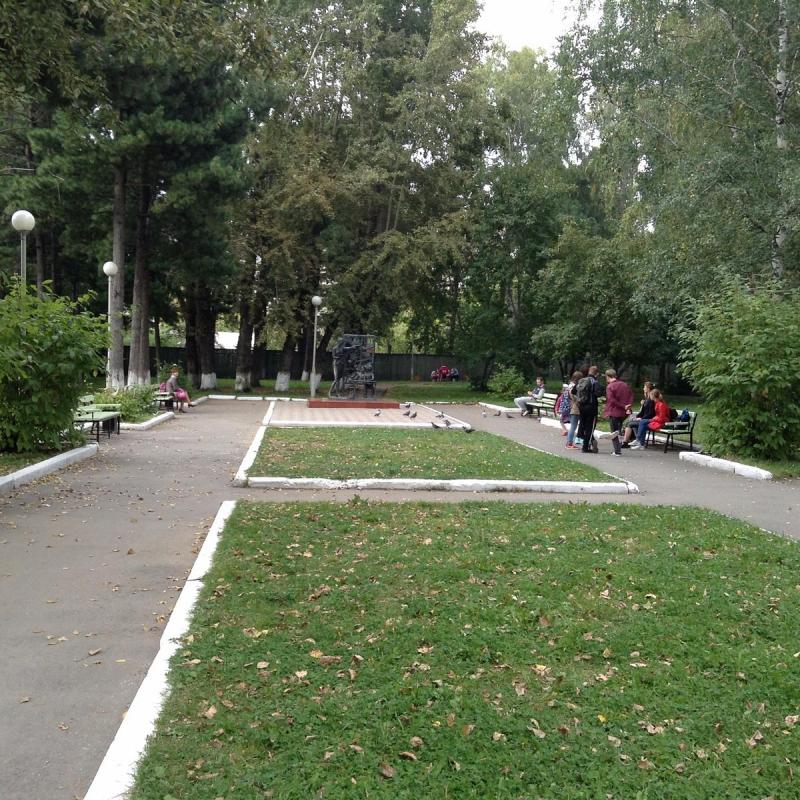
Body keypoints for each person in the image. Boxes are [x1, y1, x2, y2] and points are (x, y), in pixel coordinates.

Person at [604, 369, 634, 456]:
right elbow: (631, 395)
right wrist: (628, 406)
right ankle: (618, 449)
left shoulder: (610, 387)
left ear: (608, 376)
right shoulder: (624, 385)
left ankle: (617, 451)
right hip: (623, 413)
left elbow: (611, 400)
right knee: (618, 430)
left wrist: (623, 406)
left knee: (614, 431)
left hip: (614, 412)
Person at [576, 365, 603, 453]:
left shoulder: (581, 380)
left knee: (583, 425)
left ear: (588, 372)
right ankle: (585, 447)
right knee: (590, 427)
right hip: (591, 407)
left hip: (581, 406)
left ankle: (583, 440)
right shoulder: (595, 382)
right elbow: (598, 393)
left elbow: (573, 391)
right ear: (597, 374)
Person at [621, 381, 655, 447]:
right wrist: (637, 416)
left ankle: (627, 442)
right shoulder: (647, 399)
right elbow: (643, 411)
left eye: (644, 387)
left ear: (648, 388)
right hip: (645, 419)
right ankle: (635, 441)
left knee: (630, 423)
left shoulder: (651, 400)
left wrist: (641, 418)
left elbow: (651, 413)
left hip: (648, 420)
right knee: (632, 421)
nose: (643, 388)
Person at [564, 371, 583, 447]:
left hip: (572, 406)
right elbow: (574, 396)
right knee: (573, 426)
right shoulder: (574, 386)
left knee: (573, 426)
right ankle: (569, 443)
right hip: (575, 408)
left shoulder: (570, 385)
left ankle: (570, 442)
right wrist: (580, 400)